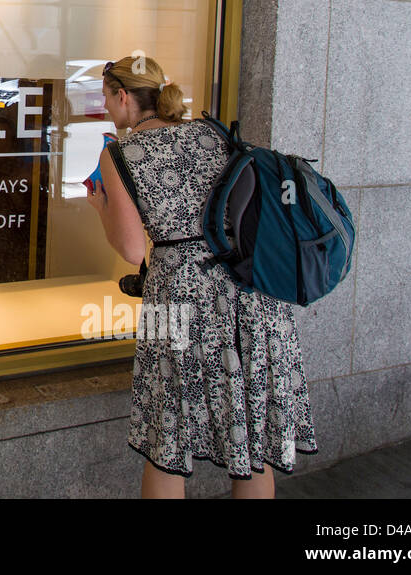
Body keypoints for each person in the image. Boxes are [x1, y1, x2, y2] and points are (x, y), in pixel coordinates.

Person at [86, 55, 317, 499]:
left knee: (167, 439)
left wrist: (102, 209)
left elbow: (134, 249)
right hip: (252, 290)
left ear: (122, 97)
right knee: (251, 443)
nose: (107, 107)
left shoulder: (119, 153)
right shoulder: (211, 132)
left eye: (106, 97)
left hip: (181, 298)